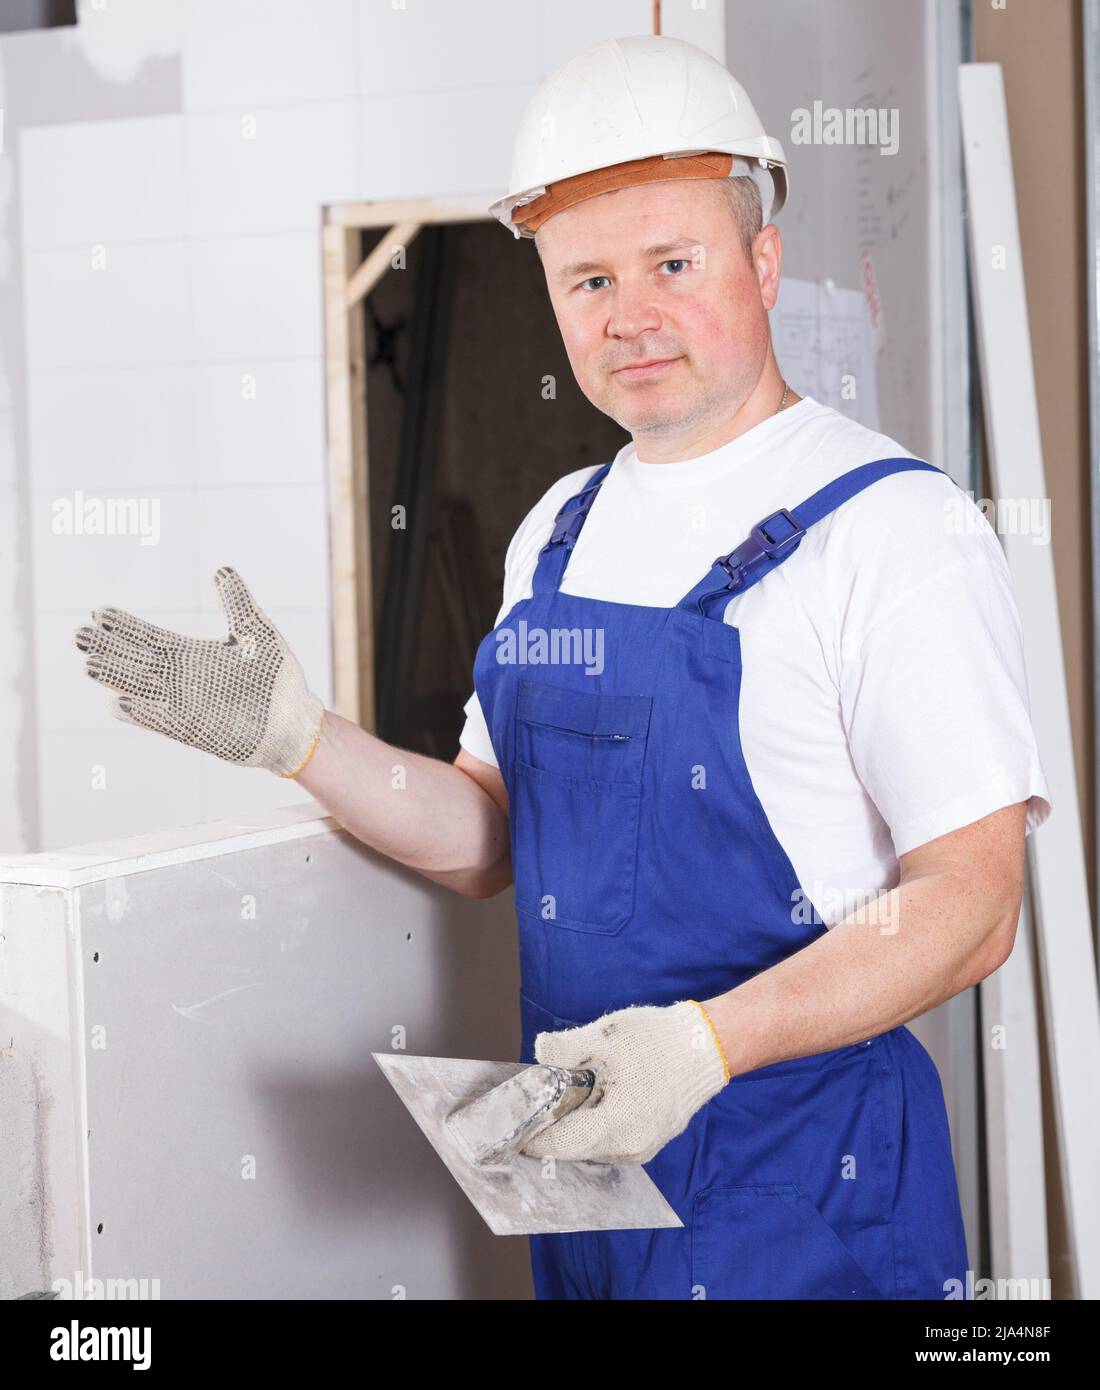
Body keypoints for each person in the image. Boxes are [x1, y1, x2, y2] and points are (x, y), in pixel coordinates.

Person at [74, 35, 1052, 1301]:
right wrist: (301, 738)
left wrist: (702, 1047)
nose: (627, 313)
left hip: (806, 1194)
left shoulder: (893, 530)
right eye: (586, 278)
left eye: (672, 262)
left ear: (761, 260)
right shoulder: (559, 532)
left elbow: (969, 904)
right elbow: (490, 834)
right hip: (588, 1179)